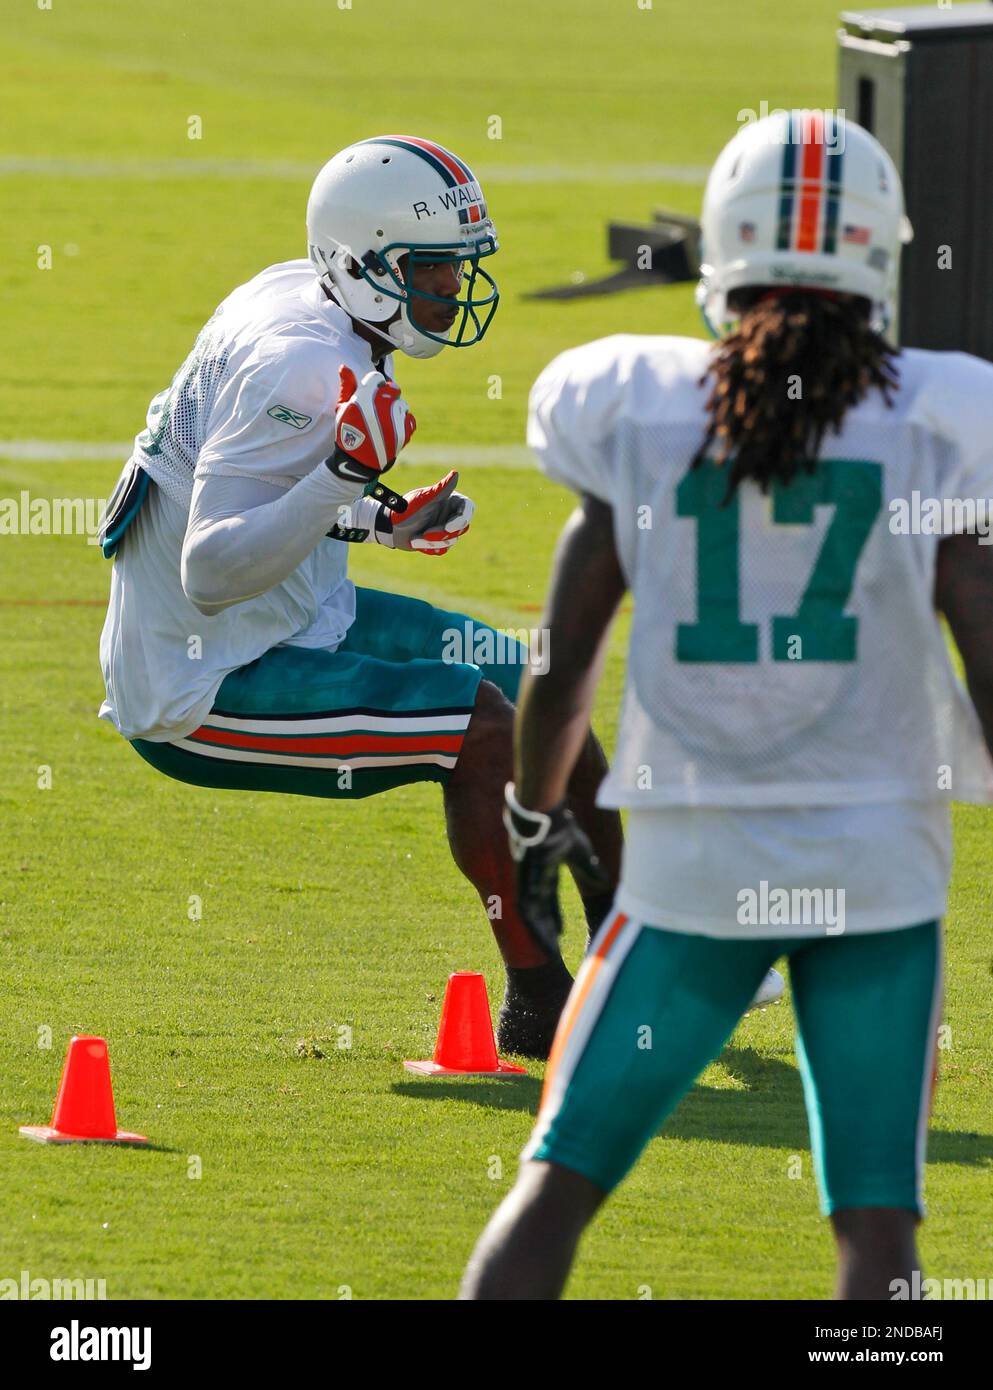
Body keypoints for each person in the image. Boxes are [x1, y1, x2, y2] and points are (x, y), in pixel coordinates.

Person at [461, 109, 993, 1298]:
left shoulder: (638, 404)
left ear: (724, 252)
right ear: (878, 258)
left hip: (697, 877)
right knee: (879, 1241)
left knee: (556, 1192)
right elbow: (987, 644)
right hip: (882, 874)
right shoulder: (943, 415)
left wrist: (538, 812)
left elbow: (564, 655)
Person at [97, 134, 624, 1059]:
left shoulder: (298, 298)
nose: (452, 291)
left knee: (540, 683)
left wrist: (375, 519)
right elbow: (208, 569)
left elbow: (241, 487)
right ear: (360, 263)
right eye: (430, 271)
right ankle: (544, 1004)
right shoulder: (298, 367)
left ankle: (640, 945)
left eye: (456, 269)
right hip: (205, 681)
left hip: (291, 615)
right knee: (485, 728)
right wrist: (344, 476)